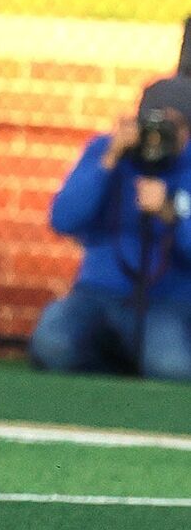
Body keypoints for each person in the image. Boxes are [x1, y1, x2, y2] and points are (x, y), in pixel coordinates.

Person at [31, 76, 191, 381]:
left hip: (167, 301)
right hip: (97, 294)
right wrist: (109, 159)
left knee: (172, 369)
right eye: (155, 122)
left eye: (174, 125)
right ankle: (115, 362)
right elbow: (63, 219)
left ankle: (134, 357)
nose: (160, 134)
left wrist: (172, 214)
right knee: (53, 345)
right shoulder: (106, 150)